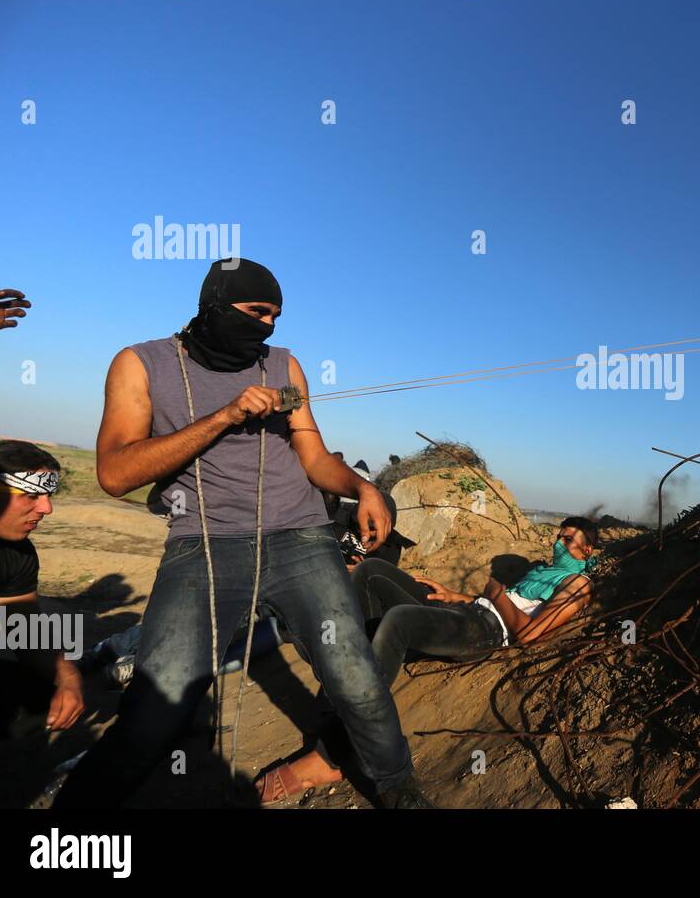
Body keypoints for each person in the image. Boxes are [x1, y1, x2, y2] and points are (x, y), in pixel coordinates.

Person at [54, 258, 431, 809]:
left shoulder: (283, 365)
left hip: (301, 538)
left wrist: (363, 488)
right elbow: (115, 474)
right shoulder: (141, 363)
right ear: (215, 303)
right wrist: (224, 417)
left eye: (276, 315)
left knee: (354, 672)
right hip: (202, 545)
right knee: (158, 707)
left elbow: (315, 456)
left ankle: (399, 790)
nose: (269, 326)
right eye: (257, 311)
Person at [255, 516, 598, 803]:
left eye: (568, 540)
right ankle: (340, 697)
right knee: (371, 572)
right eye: (558, 536)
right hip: (471, 612)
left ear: (587, 550)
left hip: (486, 631)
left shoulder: (578, 584)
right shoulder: (542, 571)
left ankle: (333, 754)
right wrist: (459, 595)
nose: (558, 543)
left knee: (399, 621)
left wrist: (494, 593)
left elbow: (528, 634)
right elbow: (502, 600)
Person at [0, 440, 85, 742]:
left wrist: (69, 677)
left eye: (49, 496)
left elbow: (24, 631)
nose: (46, 508)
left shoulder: (16, 554)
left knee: (41, 698)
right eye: (30, 495)